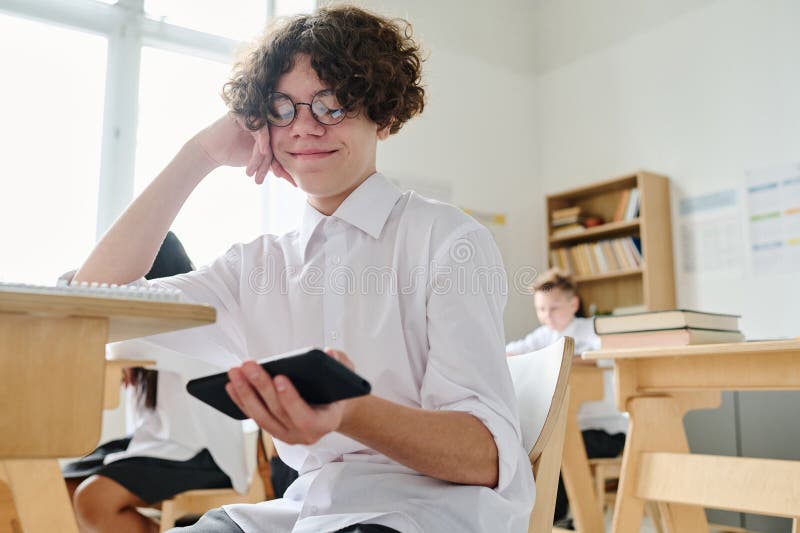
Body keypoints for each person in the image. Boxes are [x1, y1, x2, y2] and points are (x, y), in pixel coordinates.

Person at [73, 5, 534, 533]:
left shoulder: (447, 241)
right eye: (283, 107)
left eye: (331, 104)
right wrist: (197, 154)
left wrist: (349, 411)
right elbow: (92, 306)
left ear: (381, 113)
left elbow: (484, 457)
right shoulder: (254, 266)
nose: (305, 127)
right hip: (308, 510)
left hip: (431, 512)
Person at [63, 232, 244, 533]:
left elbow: (118, 339)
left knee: (93, 499)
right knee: (63, 486)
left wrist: (122, 349)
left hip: (204, 454)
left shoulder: (189, 319)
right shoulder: (138, 334)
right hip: (154, 443)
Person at [506, 268, 627, 527]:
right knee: (530, 446)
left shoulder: (591, 331)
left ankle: (556, 520)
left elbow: (599, 357)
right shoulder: (543, 336)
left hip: (604, 431)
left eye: (553, 308)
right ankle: (538, 521)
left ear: (573, 304)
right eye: (541, 309)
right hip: (571, 429)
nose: (546, 316)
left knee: (556, 448)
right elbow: (513, 350)